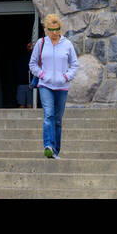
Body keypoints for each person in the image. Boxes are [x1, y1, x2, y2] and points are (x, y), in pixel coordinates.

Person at [28, 13, 79, 159]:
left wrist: (66, 77)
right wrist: (43, 75)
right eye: (51, 30)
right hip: (46, 85)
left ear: (60, 29)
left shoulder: (67, 44)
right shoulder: (41, 43)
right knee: (48, 114)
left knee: (57, 119)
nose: (54, 33)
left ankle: (55, 151)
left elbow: (75, 65)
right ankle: (48, 146)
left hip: (62, 87)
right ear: (46, 29)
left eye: (57, 29)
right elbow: (32, 64)